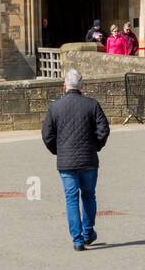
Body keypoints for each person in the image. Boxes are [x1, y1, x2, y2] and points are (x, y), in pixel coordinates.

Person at [41, 68, 111, 252]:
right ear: (82, 86)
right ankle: (88, 233)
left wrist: (58, 150)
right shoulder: (91, 104)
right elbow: (104, 129)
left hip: (66, 161)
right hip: (88, 159)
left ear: (64, 86)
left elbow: (47, 134)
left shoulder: (55, 107)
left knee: (71, 199)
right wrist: (96, 145)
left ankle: (77, 239)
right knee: (88, 195)